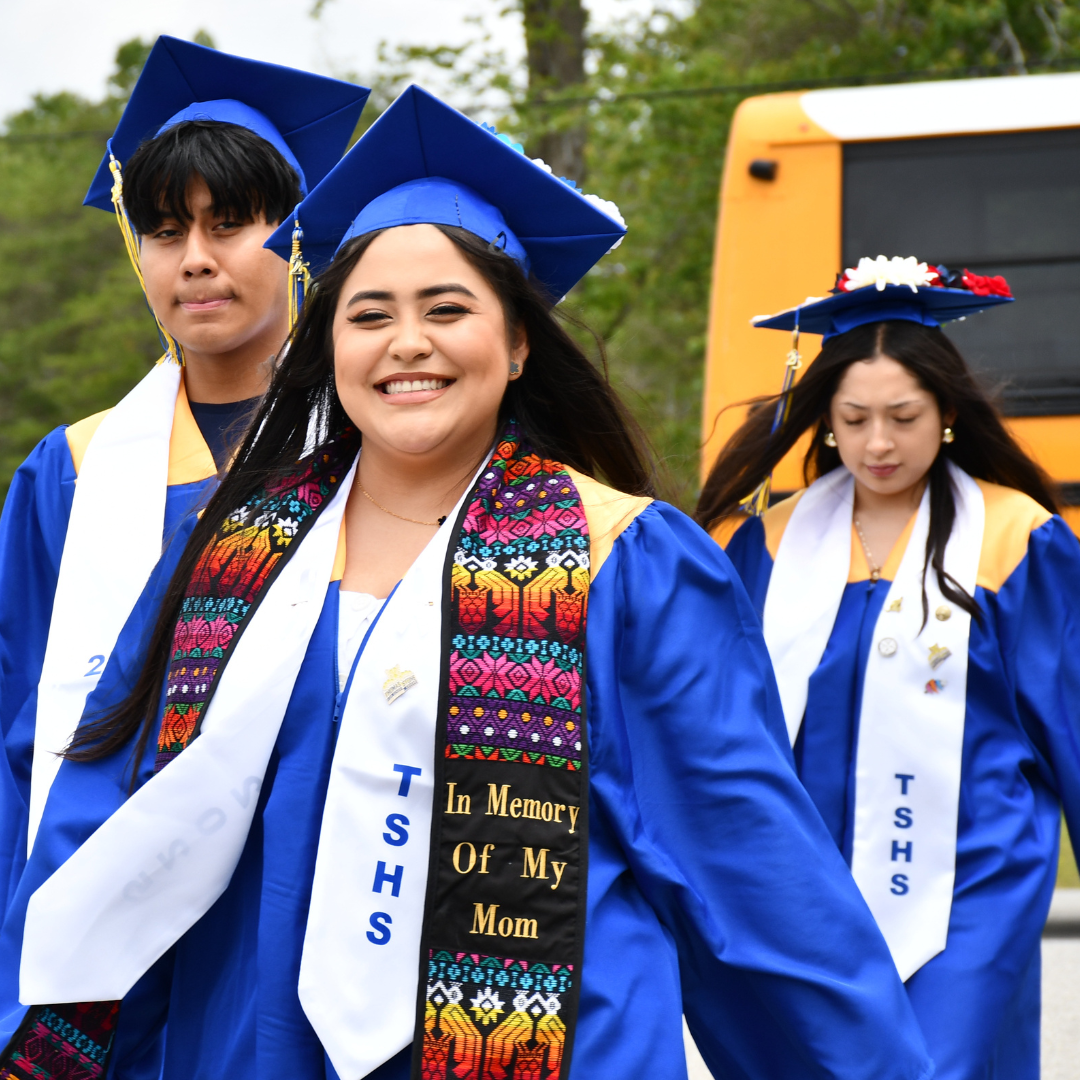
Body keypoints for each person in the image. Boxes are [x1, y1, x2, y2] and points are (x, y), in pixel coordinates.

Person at [0, 93, 932, 1080]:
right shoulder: (238, 552)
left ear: (519, 342)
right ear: (331, 348)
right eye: (369, 315)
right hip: (251, 1047)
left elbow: (753, 874)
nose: (407, 343)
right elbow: (106, 816)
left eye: (447, 309)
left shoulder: (624, 562)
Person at [0, 36, 368, 912]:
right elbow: (16, 709)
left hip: (305, 886)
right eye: (164, 231)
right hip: (94, 883)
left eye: (231, 224)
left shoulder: (368, 448)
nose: (195, 258)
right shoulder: (72, 472)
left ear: (298, 236)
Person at [698, 255, 1078, 1080]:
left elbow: (1070, 720)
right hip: (812, 879)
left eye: (903, 417)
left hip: (970, 873)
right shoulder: (769, 543)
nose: (878, 443)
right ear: (826, 421)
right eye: (855, 418)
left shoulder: (1015, 537)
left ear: (946, 414)